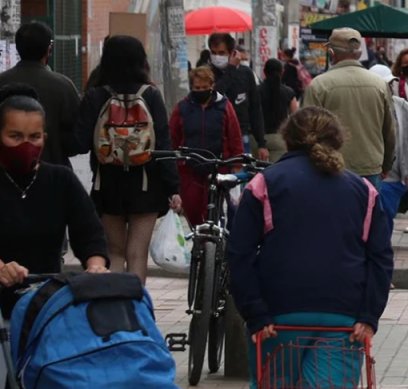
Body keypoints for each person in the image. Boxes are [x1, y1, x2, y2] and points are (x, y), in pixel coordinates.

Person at [226, 106, 392, 389]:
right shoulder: (362, 190)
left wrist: (257, 314)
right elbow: (380, 258)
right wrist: (368, 317)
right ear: (338, 140)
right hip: (342, 320)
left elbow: (239, 256)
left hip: (278, 322)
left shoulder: (264, 185)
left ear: (288, 139)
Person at [0, 85, 109, 317]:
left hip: (45, 309)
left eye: (34, 137)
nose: (26, 145)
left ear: (45, 138)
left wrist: (95, 265)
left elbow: (90, 232)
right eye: (15, 136)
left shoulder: (60, 179)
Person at [77, 36, 180, 280]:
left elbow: (79, 142)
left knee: (114, 252)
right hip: (146, 185)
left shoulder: (96, 96)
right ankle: (135, 310)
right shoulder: (151, 94)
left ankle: (112, 308)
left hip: (107, 184)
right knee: (136, 253)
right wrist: (173, 187)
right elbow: (164, 144)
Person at [304, 27, 395, 185]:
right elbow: (389, 130)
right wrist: (386, 165)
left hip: (330, 169)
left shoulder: (319, 85)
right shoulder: (380, 84)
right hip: (371, 167)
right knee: (367, 209)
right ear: (359, 53)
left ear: (331, 53)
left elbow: (307, 133)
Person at [169, 65, 245, 227]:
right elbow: (173, 138)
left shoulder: (224, 106)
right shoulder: (182, 108)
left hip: (218, 168)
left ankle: (212, 244)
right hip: (189, 170)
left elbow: (234, 136)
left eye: (205, 87)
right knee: (192, 209)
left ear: (212, 86)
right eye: (197, 88)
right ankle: (200, 242)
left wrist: (237, 164)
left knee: (212, 210)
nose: (201, 90)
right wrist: (172, 162)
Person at [0, 21, 80, 165]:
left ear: (17, 48)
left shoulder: (2, 81)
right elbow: (77, 142)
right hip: (54, 169)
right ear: (48, 50)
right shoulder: (64, 86)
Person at [368, 65, 408, 221]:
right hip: (371, 175)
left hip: (395, 179)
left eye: (390, 83)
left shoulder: (401, 106)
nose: (389, 87)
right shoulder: (365, 108)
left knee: (385, 221)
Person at [206, 32, 266, 159]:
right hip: (214, 136)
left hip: (241, 135)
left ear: (232, 53)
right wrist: (230, 69)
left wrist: (261, 143)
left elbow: (255, 109)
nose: (217, 57)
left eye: (221, 53)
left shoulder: (246, 74)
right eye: (214, 52)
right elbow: (214, 96)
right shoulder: (207, 73)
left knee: (240, 176)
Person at [260, 59, 299, 160]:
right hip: (279, 138)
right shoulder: (288, 92)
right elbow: (296, 117)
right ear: (282, 72)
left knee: (257, 171)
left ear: (264, 72)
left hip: (258, 138)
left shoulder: (256, 91)